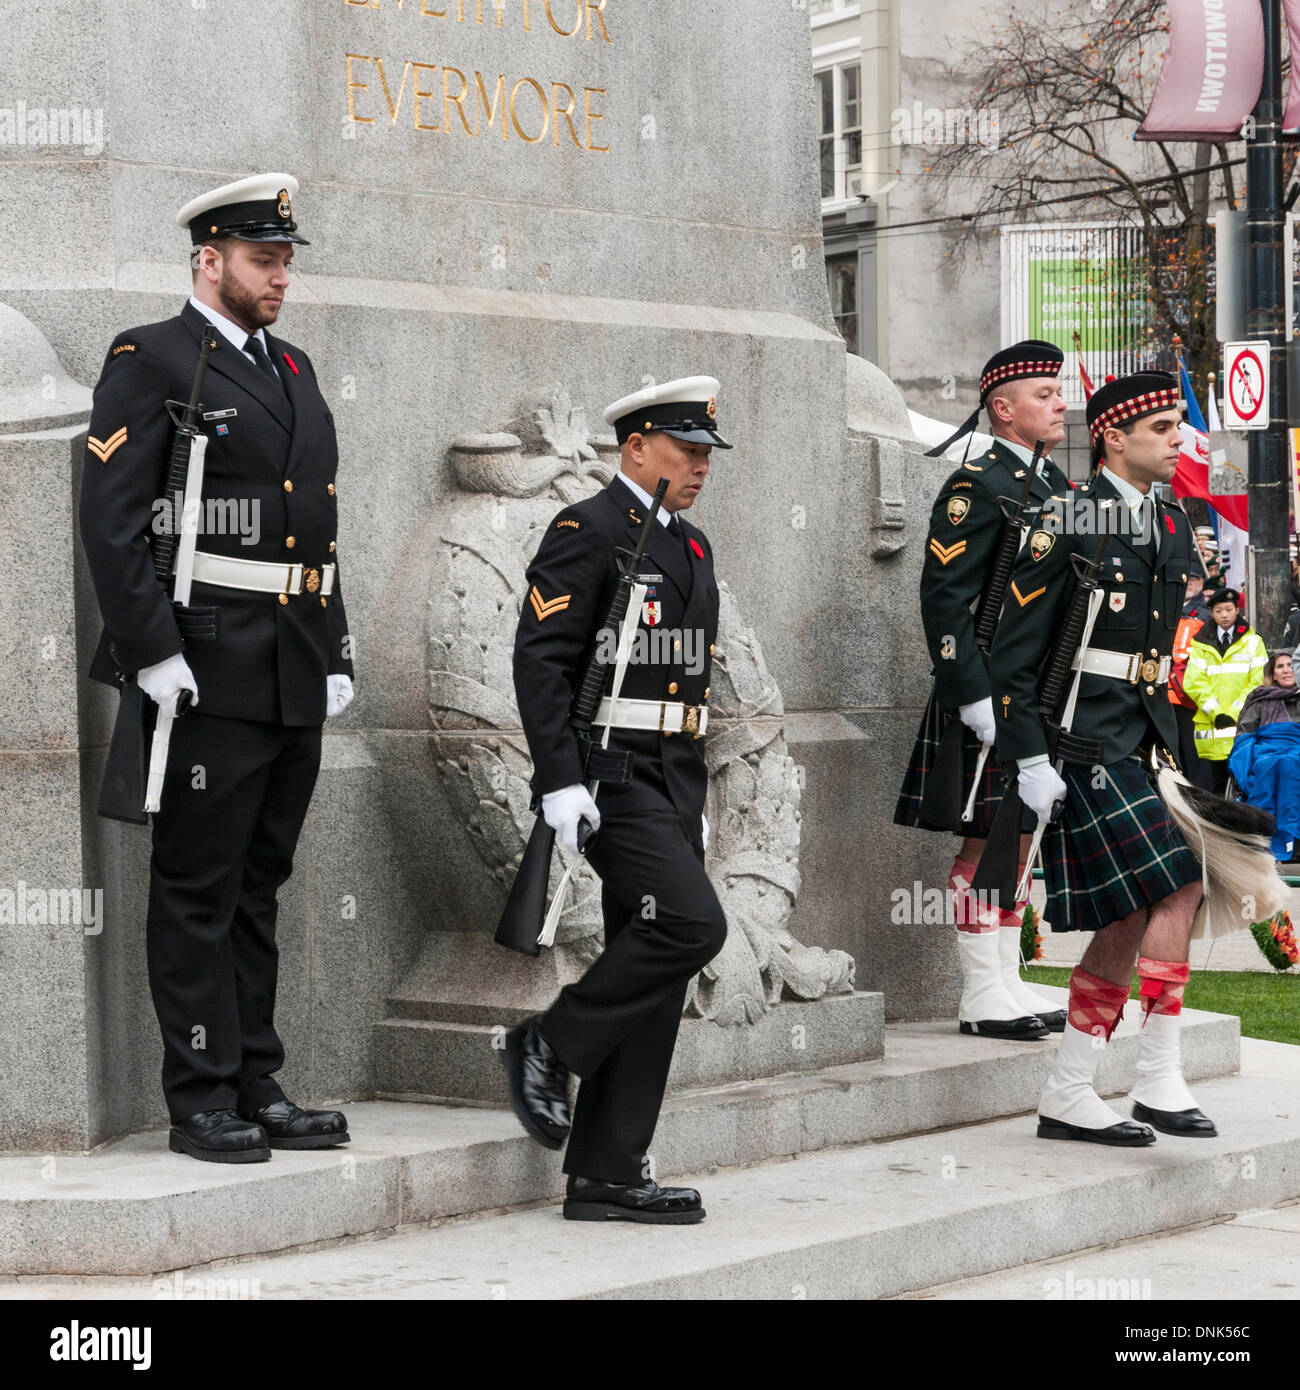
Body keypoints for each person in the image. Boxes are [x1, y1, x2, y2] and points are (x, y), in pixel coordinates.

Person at [80, 174, 355, 1163]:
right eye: (263, 260)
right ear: (210, 261)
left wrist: (337, 646)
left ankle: (256, 1078)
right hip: (203, 662)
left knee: (260, 881)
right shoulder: (149, 358)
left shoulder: (295, 369)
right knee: (199, 884)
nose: (280, 277)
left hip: (290, 664)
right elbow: (114, 525)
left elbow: (315, 527)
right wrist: (152, 650)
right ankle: (199, 1093)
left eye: (285, 261)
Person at [506, 376, 728, 1224]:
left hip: (671, 776)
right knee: (694, 926)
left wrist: (696, 789)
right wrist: (559, 778)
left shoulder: (692, 546)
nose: (701, 465)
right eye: (686, 449)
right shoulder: (586, 529)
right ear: (635, 448)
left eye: (707, 452)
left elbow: (688, 676)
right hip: (610, 774)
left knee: (658, 968)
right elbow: (542, 662)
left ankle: (608, 1168)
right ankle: (548, 1041)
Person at [990, 371, 1216, 1146]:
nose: (1178, 437)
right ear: (1115, 438)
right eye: (1162, 426)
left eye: (1178, 423)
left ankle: (1075, 1090)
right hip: (1081, 743)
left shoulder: (1174, 521)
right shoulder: (1068, 516)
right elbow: (1012, 655)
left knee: (1142, 906)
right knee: (1176, 884)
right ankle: (1152, 1078)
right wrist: (1027, 757)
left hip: (1146, 741)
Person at [895, 340, 1074, 1040]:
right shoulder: (979, 485)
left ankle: (1006, 978)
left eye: (1058, 391)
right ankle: (978, 992)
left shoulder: (1055, 486)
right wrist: (970, 693)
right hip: (991, 695)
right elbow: (944, 599)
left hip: (1035, 695)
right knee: (983, 843)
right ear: (1002, 410)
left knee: (1018, 838)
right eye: (1043, 393)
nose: (1059, 402)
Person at [1183, 587, 1268, 795]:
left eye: (1228, 609)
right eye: (1219, 610)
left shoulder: (1253, 642)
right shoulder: (1201, 644)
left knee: (1245, 782)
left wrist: (1233, 713)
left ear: (1237, 610)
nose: (1224, 615)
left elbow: (1258, 681)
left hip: (1244, 724)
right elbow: (1194, 682)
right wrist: (1216, 712)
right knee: (1216, 785)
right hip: (1212, 729)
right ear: (1212, 613)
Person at [1229, 653, 1300, 860]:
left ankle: (1291, 835)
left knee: (1290, 762)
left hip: (1296, 747)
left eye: (1290, 665)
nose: (1286, 670)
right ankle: (1264, 832)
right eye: (1280, 666)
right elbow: (1245, 736)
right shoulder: (1260, 699)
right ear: (1273, 674)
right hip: (1266, 748)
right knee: (1267, 764)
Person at [1168, 571, 1211, 775]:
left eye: (1193, 579)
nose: (1188, 583)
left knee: (1193, 753)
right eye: (1185, 578)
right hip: (1167, 693)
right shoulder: (1169, 607)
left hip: (1192, 694)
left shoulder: (1208, 613)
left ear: (1202, 582)